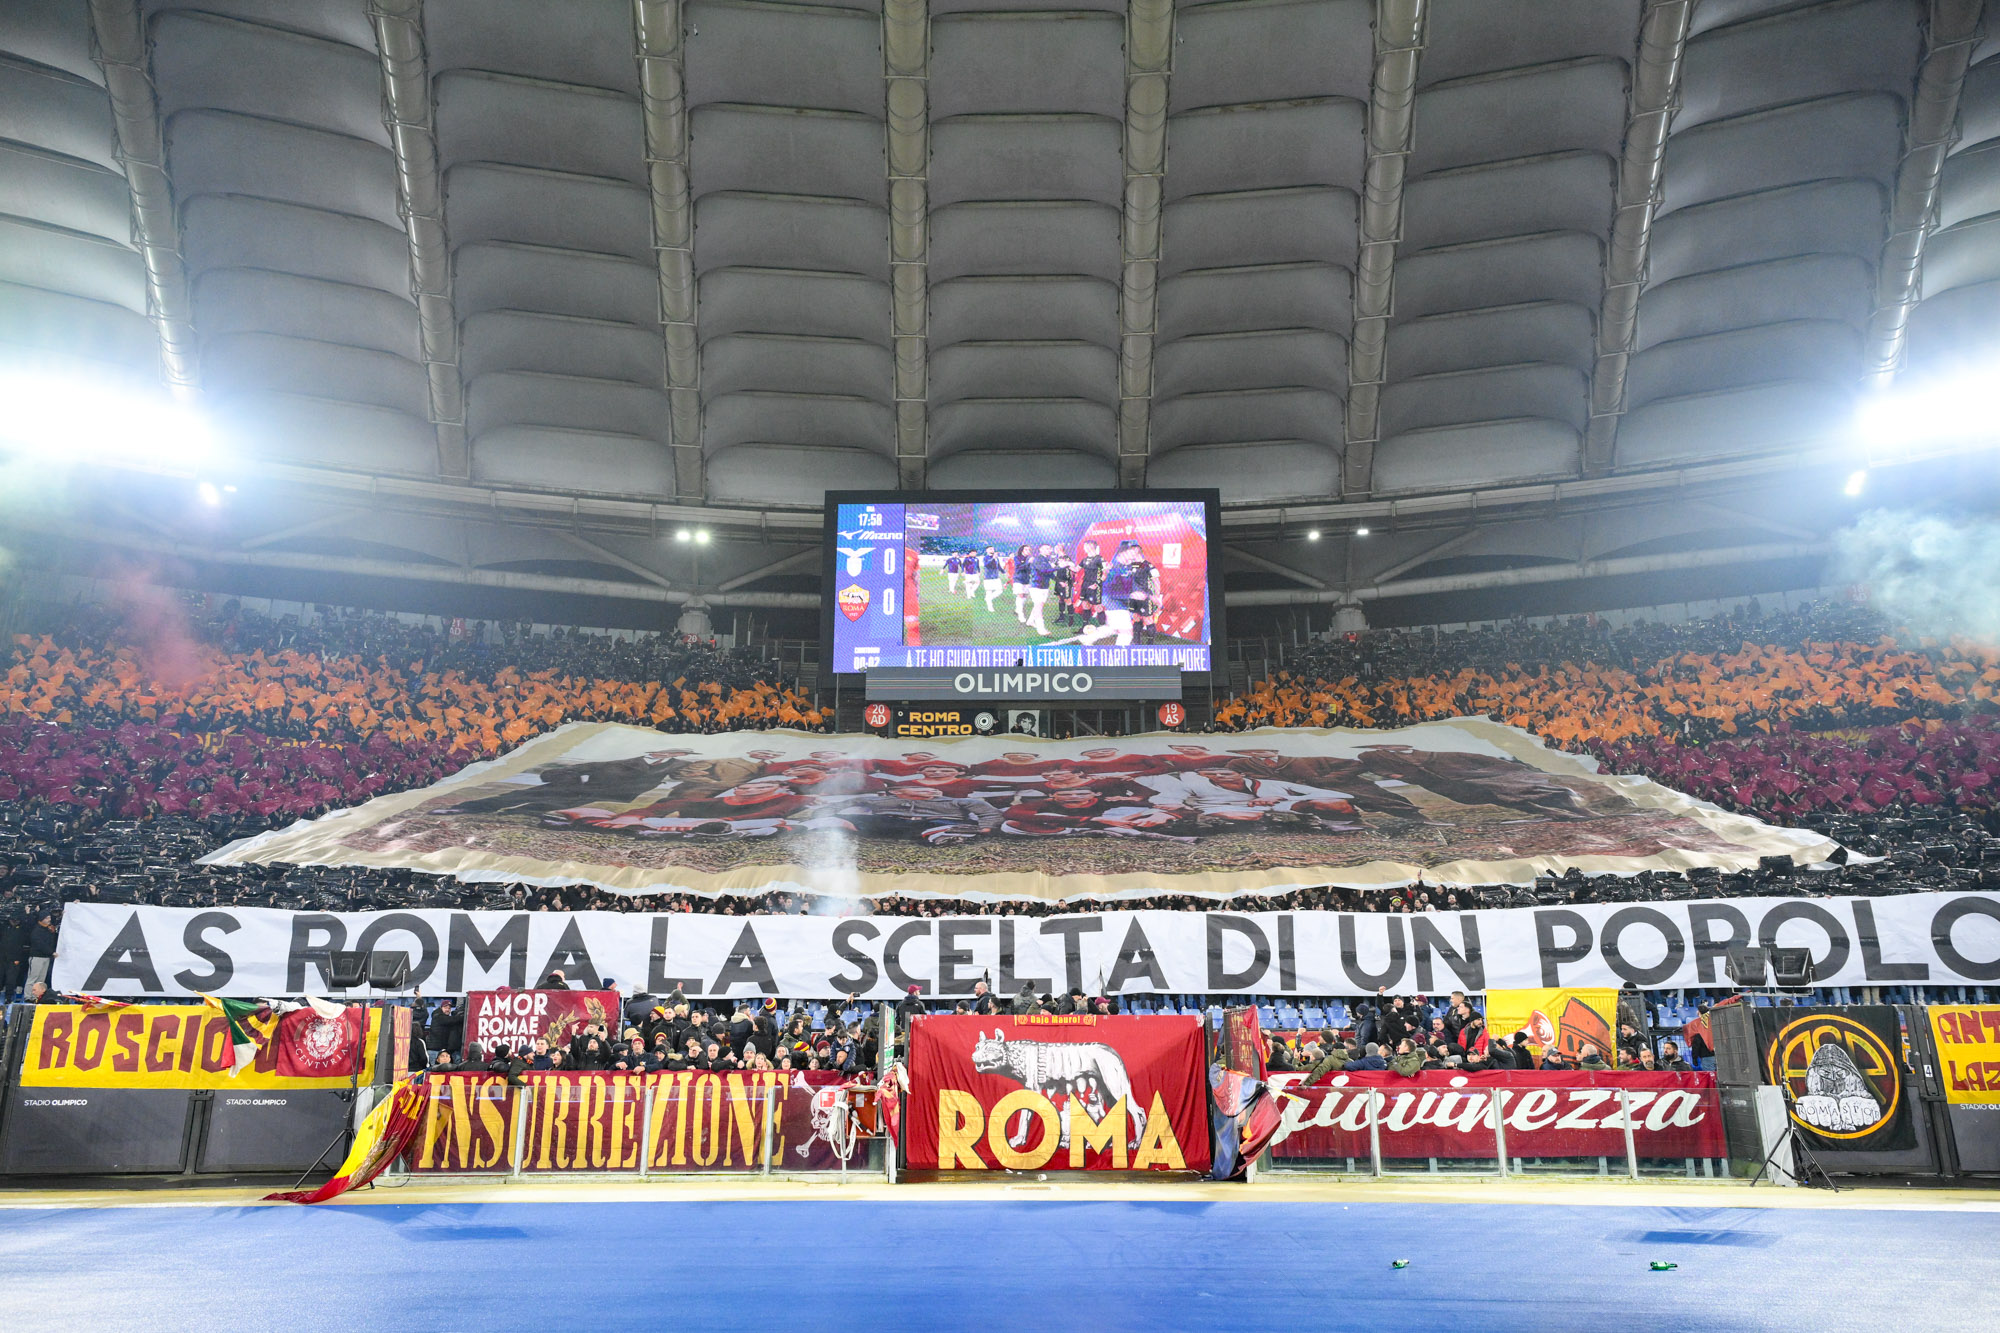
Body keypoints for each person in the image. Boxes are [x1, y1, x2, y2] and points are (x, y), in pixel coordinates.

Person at [24, 912, 56, 996]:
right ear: (41, 919)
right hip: (36, 957)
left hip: (46, 957)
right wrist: (51, 952)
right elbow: (40, 944)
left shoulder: (48, 930)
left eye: (49, 917)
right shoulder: (36, 930)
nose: (49, 919)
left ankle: (37, 996)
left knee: (41, 979)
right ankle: (28, 996)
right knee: (33, 978)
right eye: (47, 918)